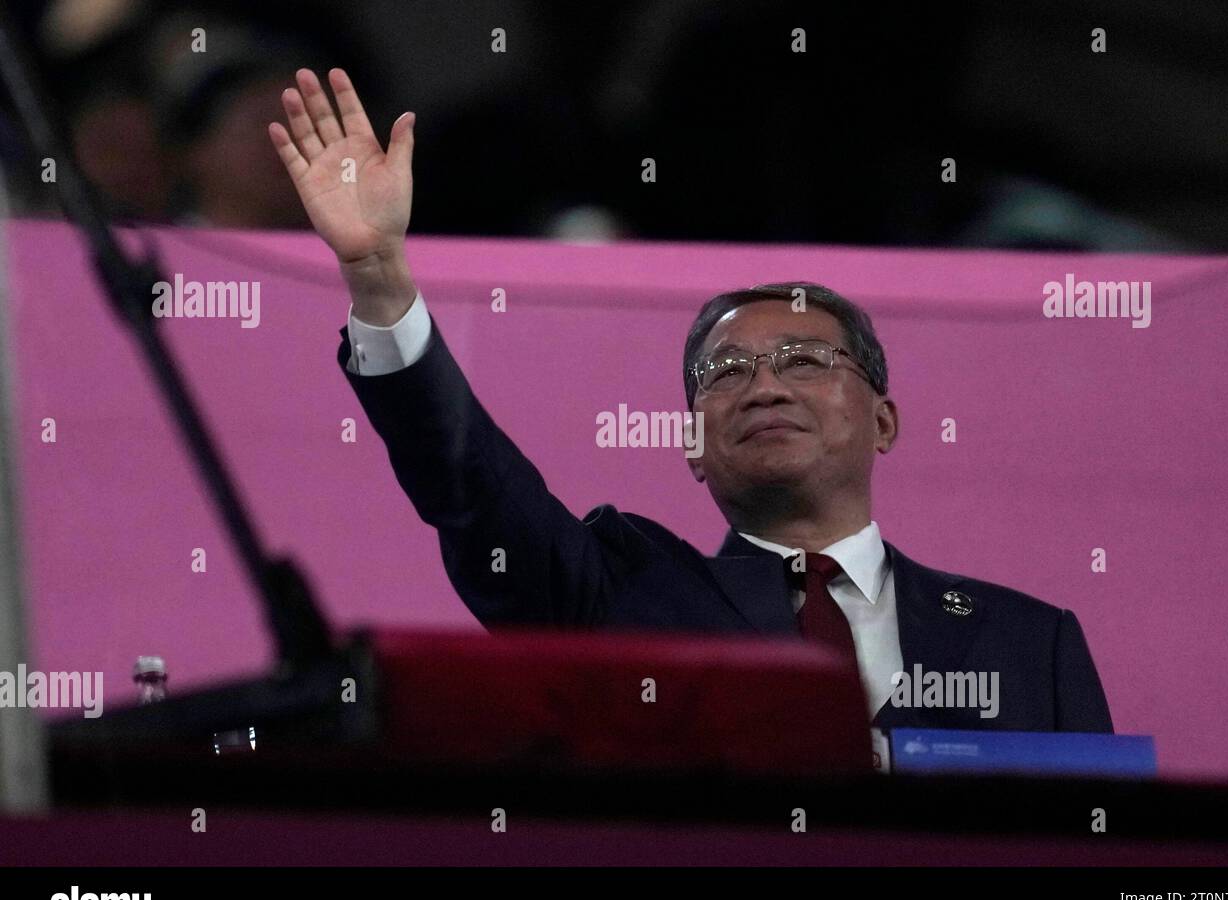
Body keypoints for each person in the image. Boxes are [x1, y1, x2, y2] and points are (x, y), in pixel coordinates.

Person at [269, 68, 1113, 735]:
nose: (767, 384)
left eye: (806, 359)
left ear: (883, 419)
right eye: (726, 373)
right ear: (692, 446)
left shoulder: (1028, 643)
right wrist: (377, 275)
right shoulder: (616, 593)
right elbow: (471, 489)